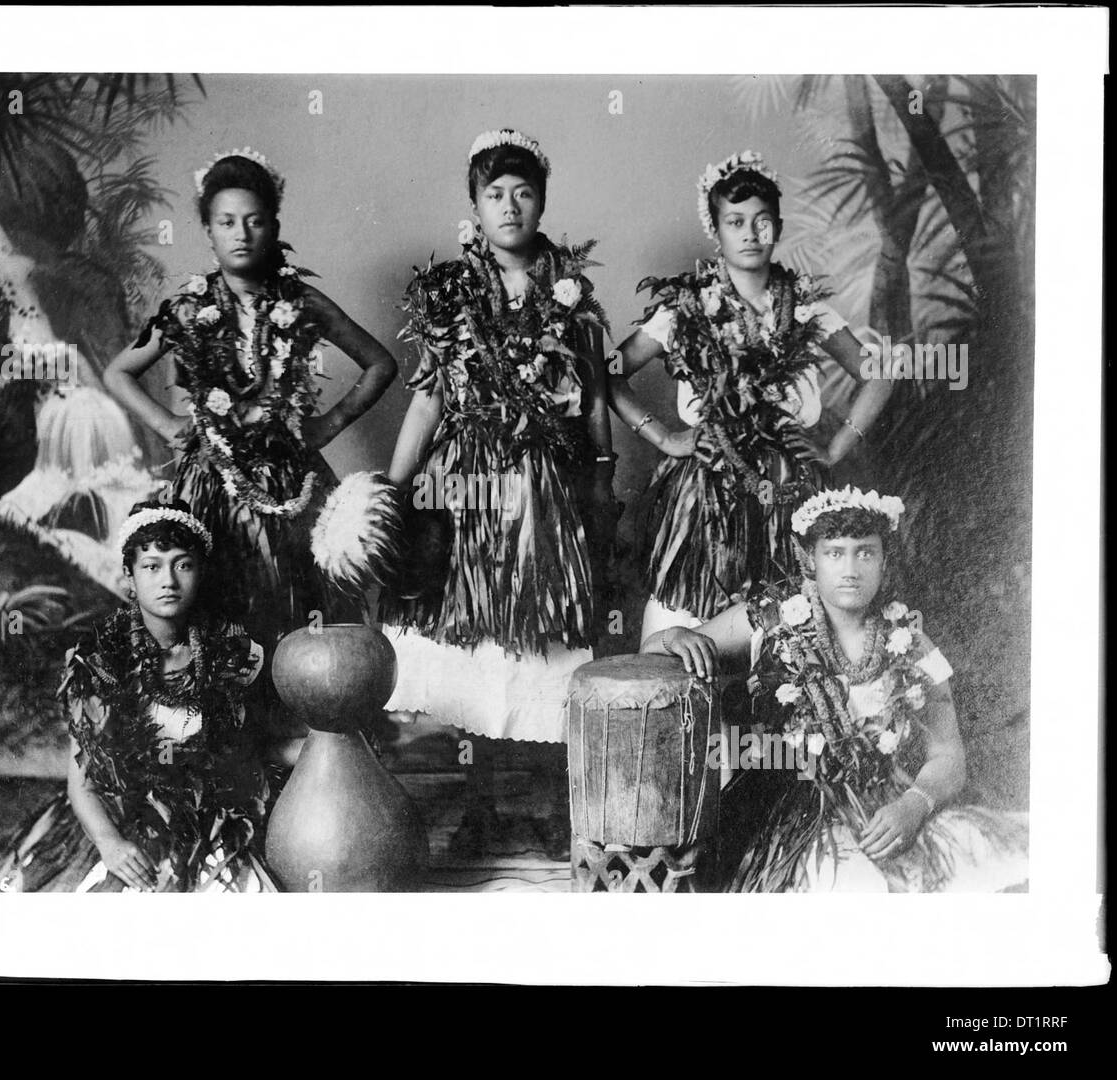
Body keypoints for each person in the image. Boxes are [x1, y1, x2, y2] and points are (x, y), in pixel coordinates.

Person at [379, 129, 618, 858]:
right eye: (494, 194)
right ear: (474, 206)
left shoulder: (569, 292)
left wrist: (604, 471)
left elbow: (596, 394)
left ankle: (547, 803)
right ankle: (480, 806)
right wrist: (394, 486)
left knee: (542, 647)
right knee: (479, 645)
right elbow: (427, 397)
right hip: (467, 491)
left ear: (541, 200)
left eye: (522, 192)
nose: (509, 206)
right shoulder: (451, 291)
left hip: (546, 491)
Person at [643, 486, 1028, 892]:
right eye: (834, 553)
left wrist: (916, 804)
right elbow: (655, 649)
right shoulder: (769, 619)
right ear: (810, 560)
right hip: (783, 809)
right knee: (850, 886)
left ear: (884, 560)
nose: (850, 569)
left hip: (886, 806)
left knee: (984, 863)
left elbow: (949, 754)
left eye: (865, 552)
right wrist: (673, 638)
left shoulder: (913, 641)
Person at [103, 148, 397, 651]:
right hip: (212, 478)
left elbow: (380, 363)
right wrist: (170, 425)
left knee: (301, 601)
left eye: (254, 221)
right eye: (227, 222)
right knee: (221, 599)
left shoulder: (300, 302)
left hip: (289, 474)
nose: (241, 234)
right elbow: (118, 372)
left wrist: (330, 422)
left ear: (274, 226)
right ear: (208, 231)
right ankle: (228, 717)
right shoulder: (188, 307)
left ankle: (307, 707)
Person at [609, 151, 893, 642]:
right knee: (689, 617)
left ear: (778, 228)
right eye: (735, 221)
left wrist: (834, 448)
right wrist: (665, 438)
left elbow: (880, 372)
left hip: (788, 485)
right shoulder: (686, 308)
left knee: (785, 621)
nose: (750, 233)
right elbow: (608, 373)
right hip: (706, 489)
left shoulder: (805, 307)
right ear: (716, 231)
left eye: (762, 221)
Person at [0, 500, 277, 892]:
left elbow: (255, 743)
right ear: (130, 577)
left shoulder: (233, 656)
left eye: (182, 564)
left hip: (207, 826)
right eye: (151, 566)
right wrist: (110, 843)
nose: (168, 580)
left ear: (200, 573)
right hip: (119, 821)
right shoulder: (101, 666)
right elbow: (80, 785)